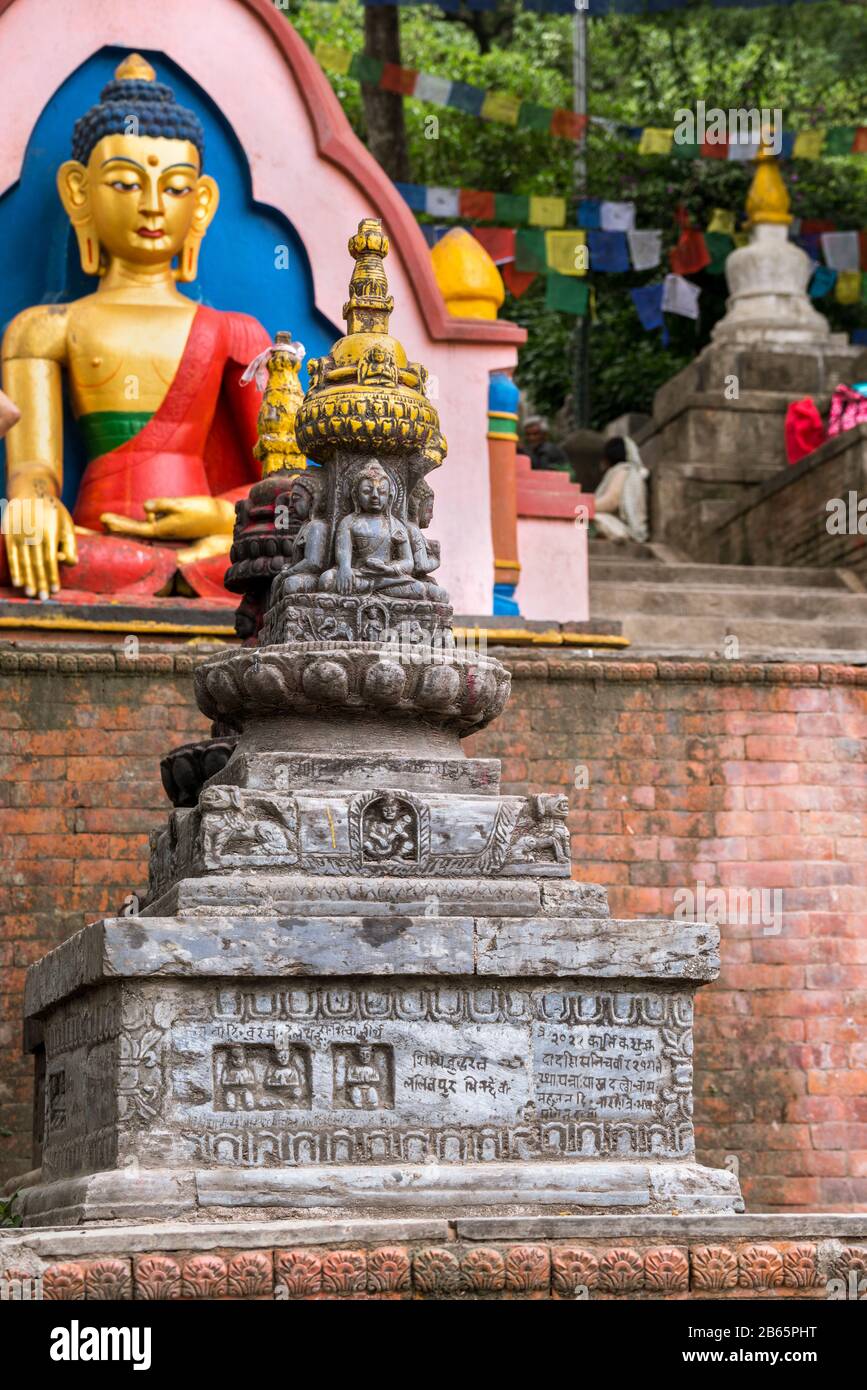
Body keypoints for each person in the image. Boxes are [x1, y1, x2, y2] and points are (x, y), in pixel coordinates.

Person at [592, 436, 649, 544]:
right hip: (620, 524)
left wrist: (584, 507)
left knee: (581, 518)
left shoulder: (622, 470)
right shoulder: (626, 471)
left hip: (626, 528)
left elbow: (611, 502)